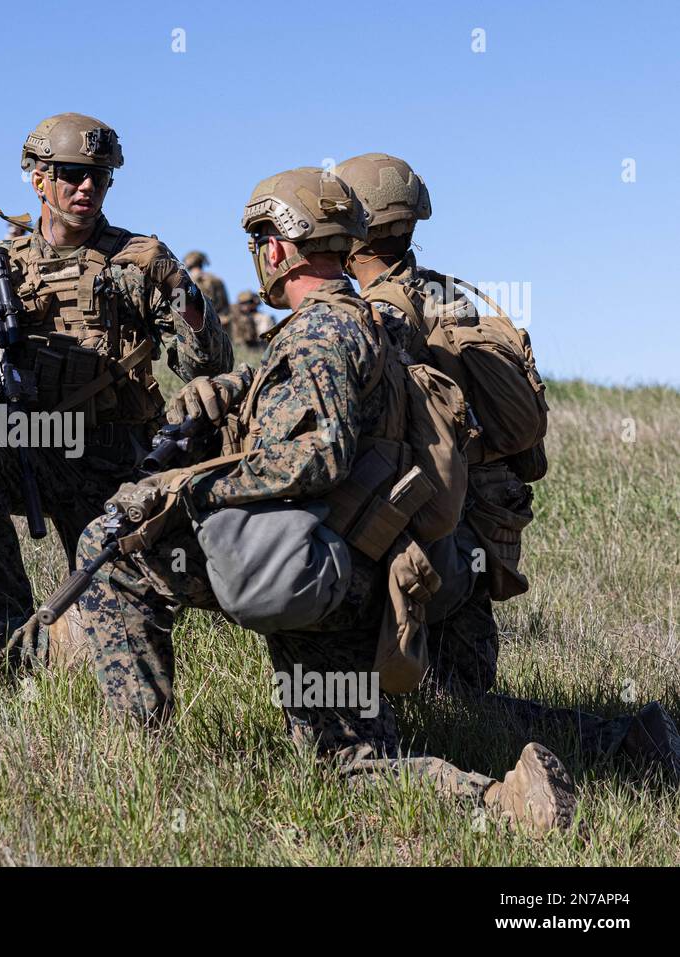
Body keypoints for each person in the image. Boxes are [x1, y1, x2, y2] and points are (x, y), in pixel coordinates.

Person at [70, 166, 577, 833]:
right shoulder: (373, 318)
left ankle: (135, 760)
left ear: (277, 246)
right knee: (347, 762)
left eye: (261, 241)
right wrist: (231, 390)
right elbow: (320, 398)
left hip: (310, 563)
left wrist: (183, 487)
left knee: (112, 549)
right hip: (365, 570)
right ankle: (507, 803)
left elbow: (315, 454)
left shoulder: (317, 335)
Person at [335, 152, 679, 777]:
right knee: (461, 697)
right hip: (486, 526)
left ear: (356, 229)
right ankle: (624, 741)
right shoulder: (455, 293)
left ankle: (615, 742)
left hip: (428, 525)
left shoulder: (381, 312)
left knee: (428, 704)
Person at [0, 113, 232, 659]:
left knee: (98, 634)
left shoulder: (136, 260)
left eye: (100, 174)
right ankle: (3, 633)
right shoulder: (4, 265)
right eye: (70, 172)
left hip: (112, 460)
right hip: (30, 443)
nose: (86, 185)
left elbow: (206, 363)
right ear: (38, 178)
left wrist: (180, 289)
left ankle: (76, 644)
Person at [183, 250, 231, 322]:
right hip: (216, 321)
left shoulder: (185, 280)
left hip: (196, 323)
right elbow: (225, 304)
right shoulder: (216, 279)